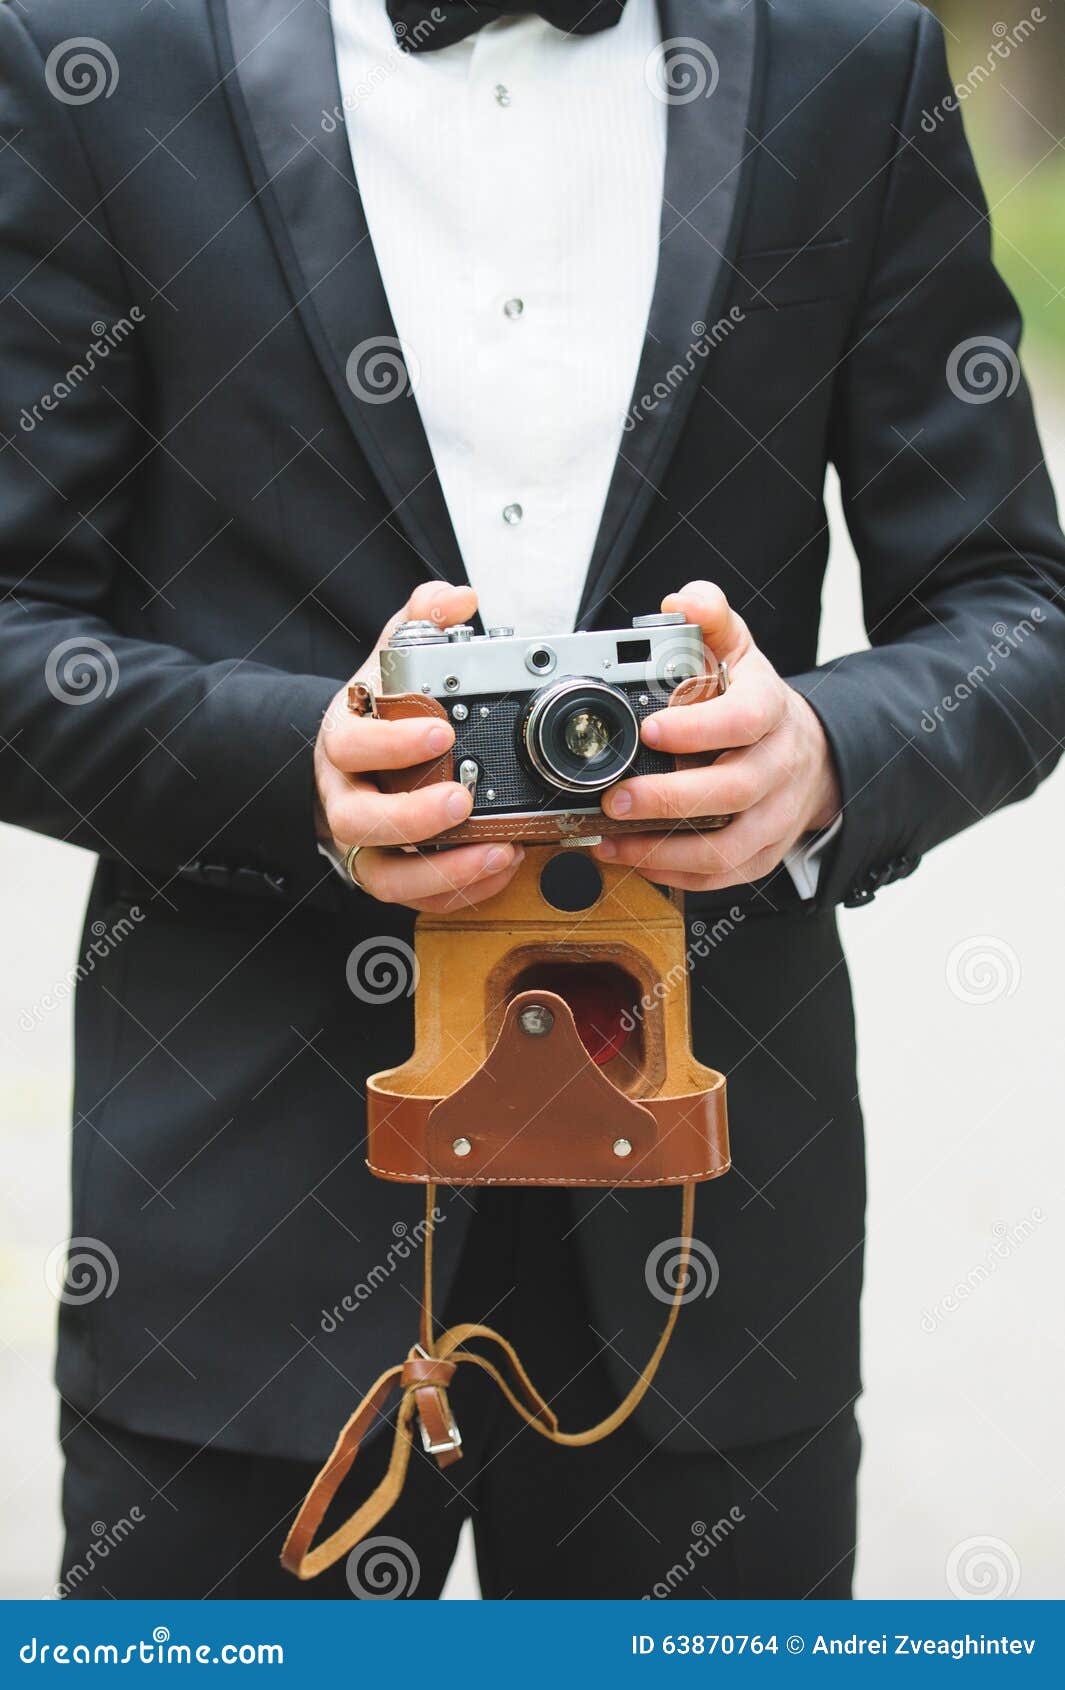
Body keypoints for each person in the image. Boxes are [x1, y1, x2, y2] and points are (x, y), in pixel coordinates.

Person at [1, 0, 1062, 1600]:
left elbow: (1010, 597)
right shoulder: (97, 51)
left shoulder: (853, 58)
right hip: (233, 1264)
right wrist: (297, 770)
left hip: (710, 1259)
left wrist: (827, 755)